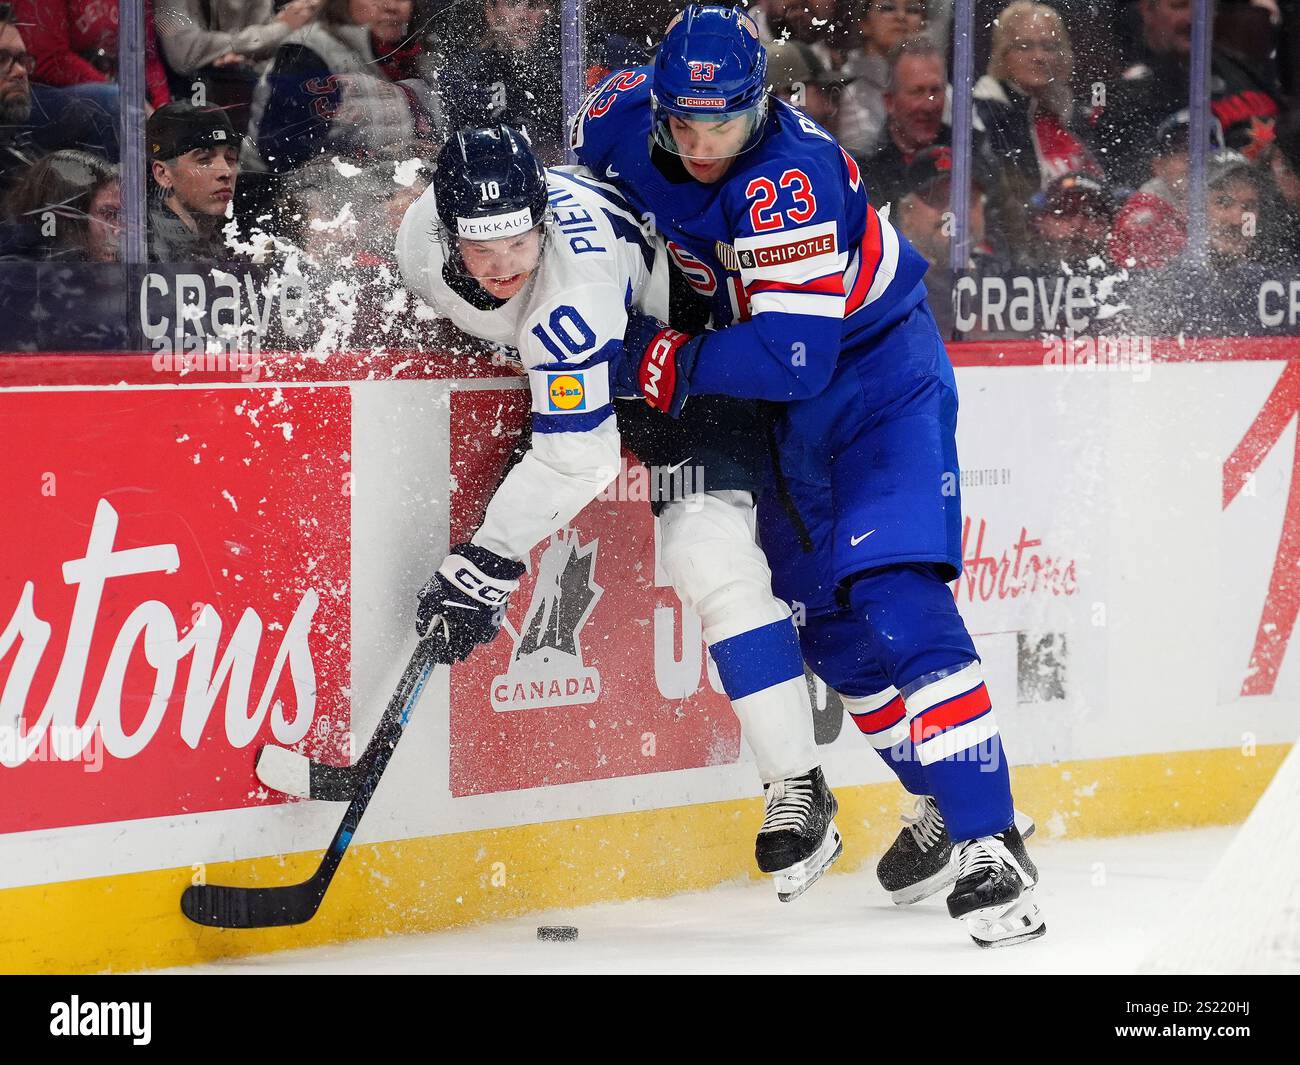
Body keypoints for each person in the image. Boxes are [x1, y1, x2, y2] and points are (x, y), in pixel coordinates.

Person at [573, 4, 1043, 946]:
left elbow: (795, 356)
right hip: (778, 406)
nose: (705, 146)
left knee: (898, 595)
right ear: (659, 106)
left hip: (872, 378)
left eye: (727, 124)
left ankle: (994, 843)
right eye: (687, 123)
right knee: (829, 628)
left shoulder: (787, 174)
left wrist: (659, 360)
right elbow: (577, 208)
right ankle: (941, 798)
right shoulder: (613, 114)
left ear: (763, 105)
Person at [395, 126, 841, 902]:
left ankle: (798, 784)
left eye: (521, 244)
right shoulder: (416, 237)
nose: (504, 267)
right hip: (590, 365)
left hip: (680, 365)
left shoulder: (571, 293)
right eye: (482, 250)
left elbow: (580, 456)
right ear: (444, 230)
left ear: (542, 217)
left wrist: (492, 556)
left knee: (707, 553)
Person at [147, 102, 240, 262]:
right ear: (163, 174)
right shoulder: (144, 251)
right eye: (204, 160)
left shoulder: (233, 243)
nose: (226, 172)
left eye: (230, 158)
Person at [1, 149, 120, 261]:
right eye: (108, 213)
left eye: (120, 214)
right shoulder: (19, 273)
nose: (118, 229)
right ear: (69, 217)